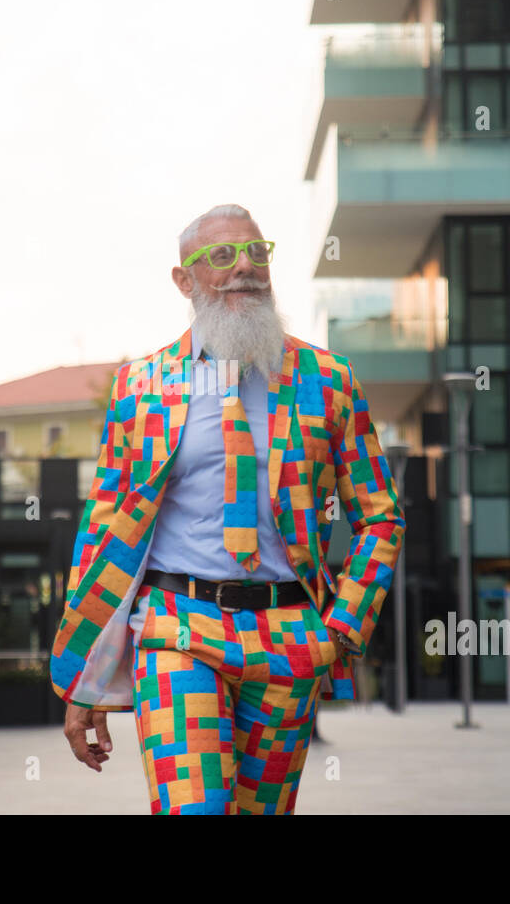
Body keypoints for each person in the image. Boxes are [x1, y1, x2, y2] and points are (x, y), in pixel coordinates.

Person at [49, 204, 405, 814]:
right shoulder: (142, 385)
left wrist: (344, 626)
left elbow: (380, 516)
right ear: (183, 281)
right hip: (176, 627)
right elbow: (104, 528)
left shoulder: (330, 379)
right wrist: (83, 675)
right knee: (196, 809)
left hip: (291, 636)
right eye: (221, 256)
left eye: (257, 252)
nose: (245, 267)